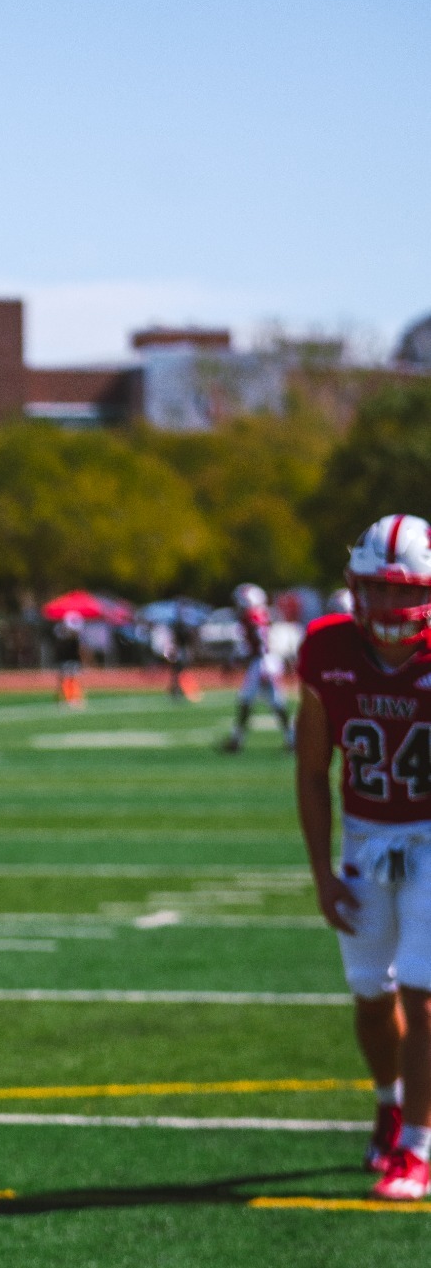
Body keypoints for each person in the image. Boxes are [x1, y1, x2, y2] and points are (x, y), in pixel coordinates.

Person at [295, 514, 431, 1203]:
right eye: (373, 588)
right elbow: (312, 768)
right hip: (366, 834)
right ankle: (389, 1101)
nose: (385, 606)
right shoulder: (326, 649)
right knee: (371, 994)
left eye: (400, 590)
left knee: (420, 987)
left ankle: (417, 1147)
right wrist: (321, 872)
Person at [223, 583, 292, 751]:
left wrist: (243, 661)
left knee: (254, 702)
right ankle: (291, 739)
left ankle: (237, 741)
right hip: (266, 661)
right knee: (267, 702)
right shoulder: (261, 613)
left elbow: (259, 641)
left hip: (262, 662)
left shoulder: (251, 616)